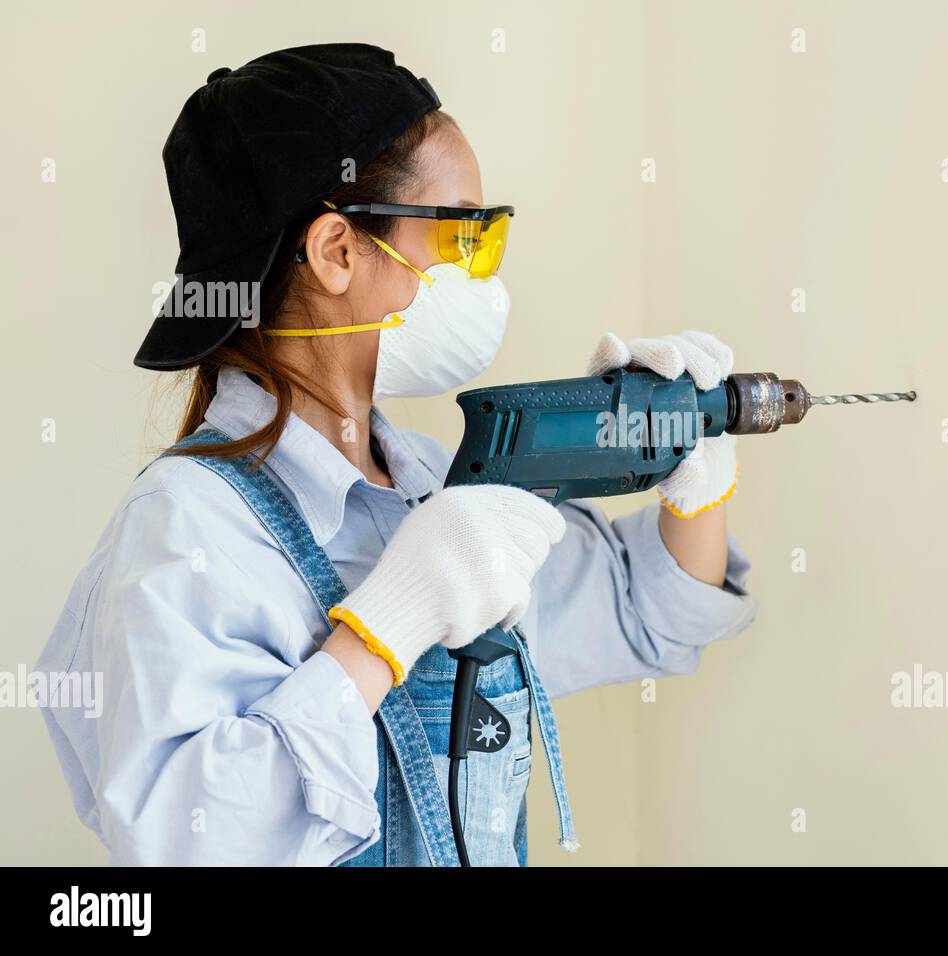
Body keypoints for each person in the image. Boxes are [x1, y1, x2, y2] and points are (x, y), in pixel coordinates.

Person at [37, 43, 757, 866]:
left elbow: (651, 613)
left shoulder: (433, 486)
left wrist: (694, 471)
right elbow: (189, 839)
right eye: (465, 235)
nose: (482, 274)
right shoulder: (188, 528)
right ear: (337, 251)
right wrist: (386, 627)